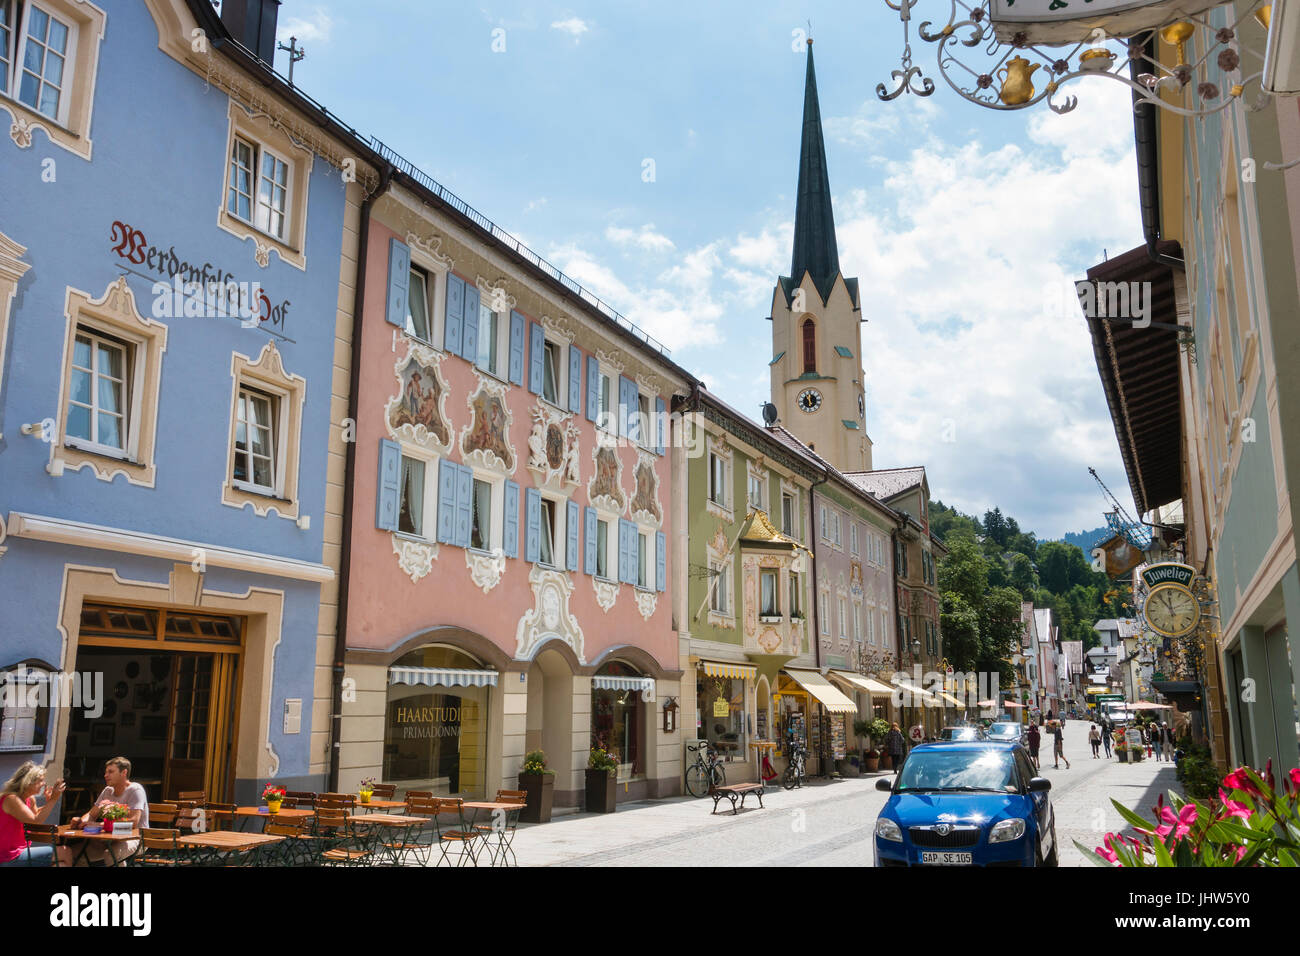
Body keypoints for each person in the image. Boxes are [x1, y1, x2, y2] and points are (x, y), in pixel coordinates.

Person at [68, 757, 149, 866]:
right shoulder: (108, 790)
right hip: (108, 838)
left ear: (124, 772)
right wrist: (80, 821)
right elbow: (92, 814)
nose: (106, 775)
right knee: (73, 854)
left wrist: (101, 825)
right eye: (105, 772)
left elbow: (133, 823)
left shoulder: (135, 790)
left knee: (111, 854)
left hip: (135, 838)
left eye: (110, 772)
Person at [1, 762, 66, 867]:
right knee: (65, 852)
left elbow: (35, 821)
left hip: (21, 852)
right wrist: (53, 800)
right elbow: (36, 820)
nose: (44, 784)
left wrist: (49, 802)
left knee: (62, 864)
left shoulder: (29, 799)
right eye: (40, 780)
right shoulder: (11, 799)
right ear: (28, 782)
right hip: (8, 857)